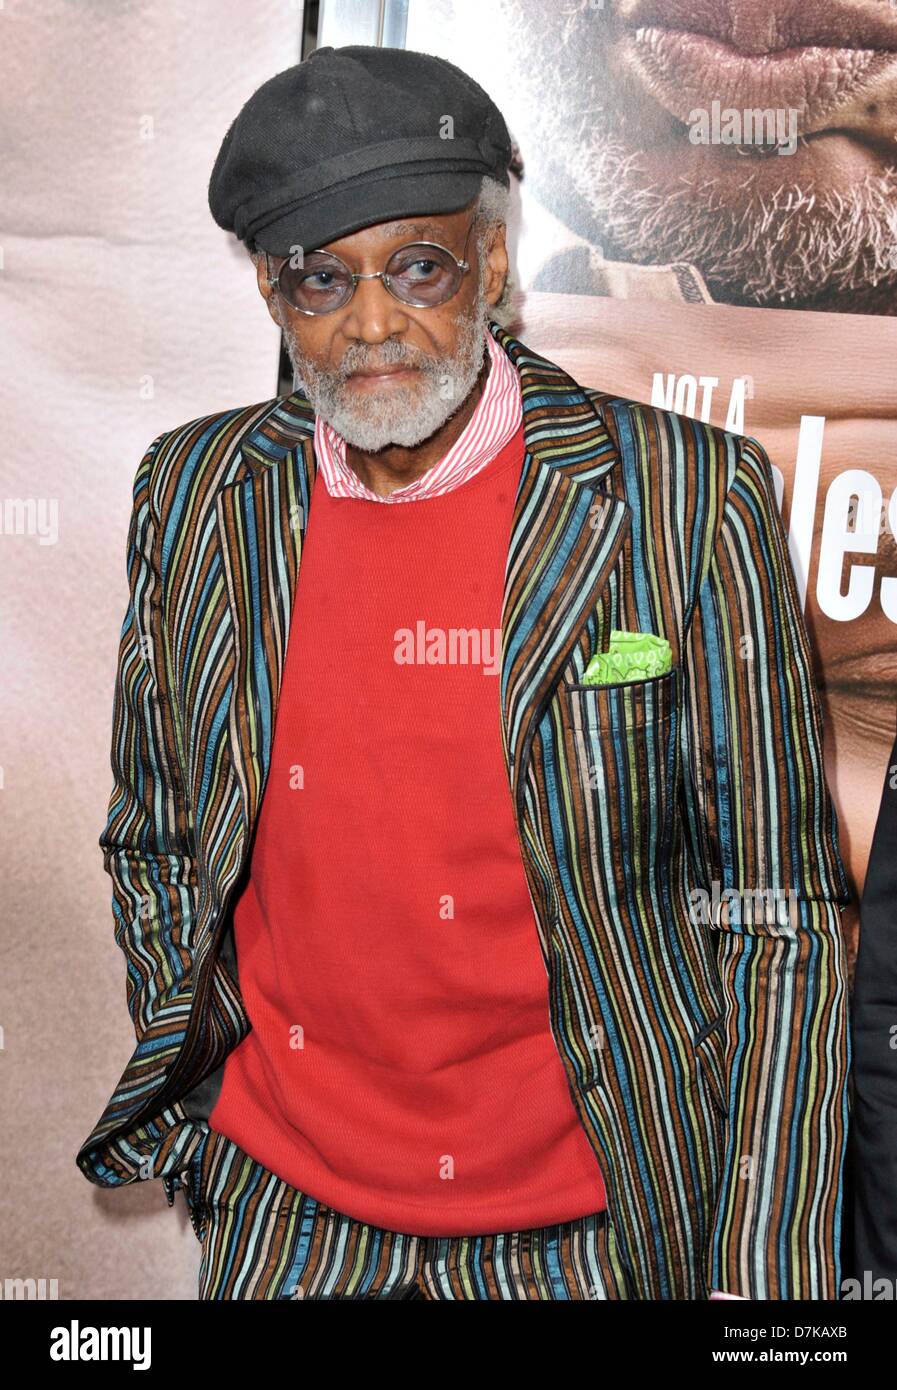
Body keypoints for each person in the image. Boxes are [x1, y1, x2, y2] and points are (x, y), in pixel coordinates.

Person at [76, 45, 851, 1301]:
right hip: (289, 1216)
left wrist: (762, 1277)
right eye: (322, 278)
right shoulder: (197, 494)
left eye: (420, 267)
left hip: (591, 1231)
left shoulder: (686, 500)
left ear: (492, 263)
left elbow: (780, 916)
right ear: (274, 294)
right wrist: (218, 1124)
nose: (373, 323)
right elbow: (156, 834)